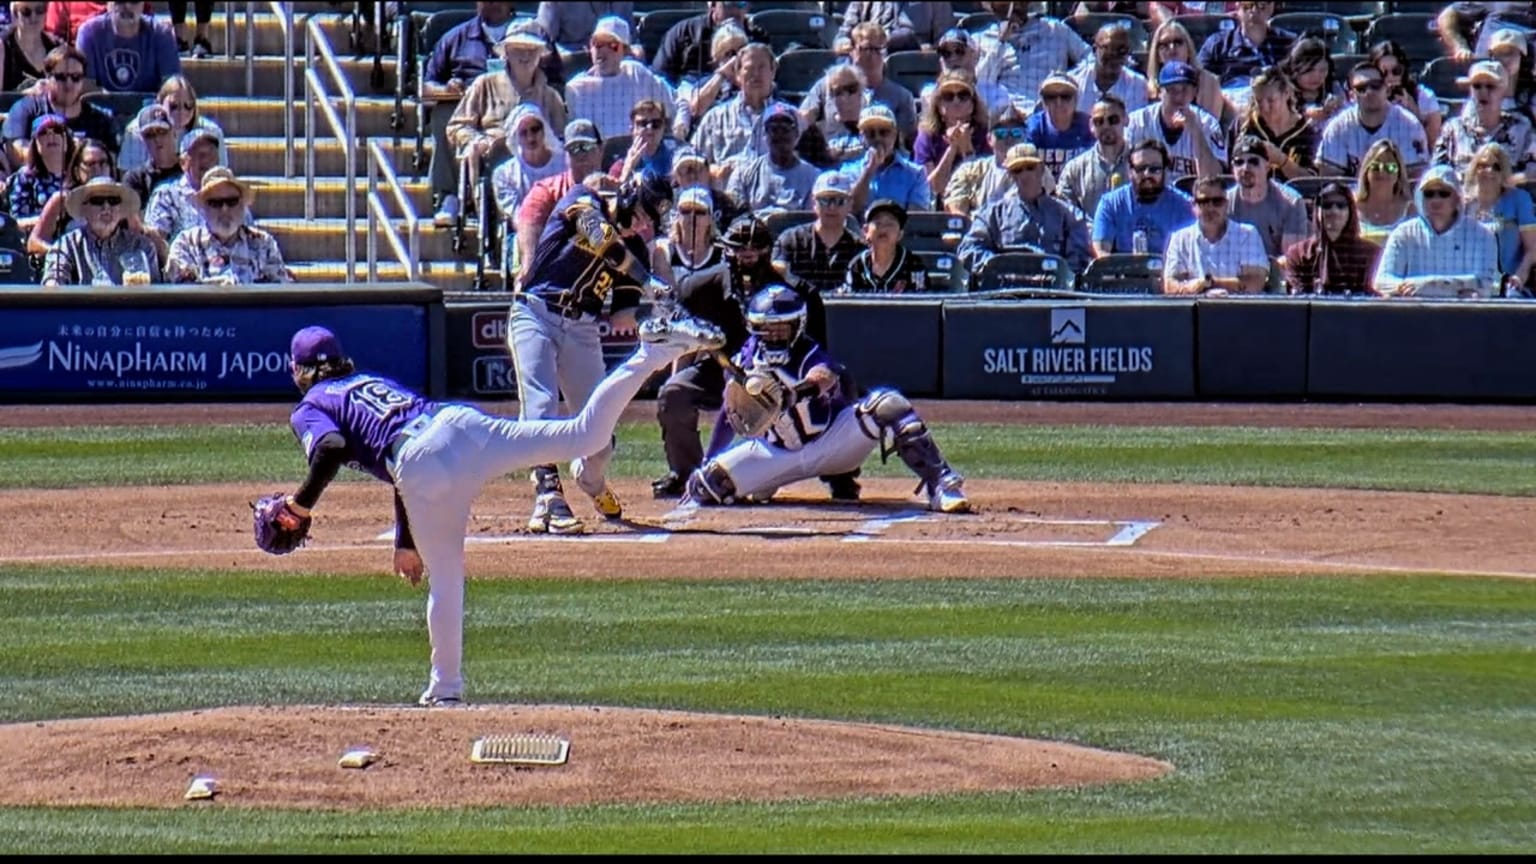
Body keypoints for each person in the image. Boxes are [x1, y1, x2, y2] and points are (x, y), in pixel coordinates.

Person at [273, 315, 726, 706]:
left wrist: (299, 507)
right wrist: (404, 543)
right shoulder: (367, 382)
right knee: (582, 436)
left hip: (423, 464)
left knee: (447, 580)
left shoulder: (312, 405)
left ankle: (445, 690)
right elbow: (396, 459)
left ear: (300, 371)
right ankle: (649, 353)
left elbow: (331, 448)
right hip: (459, 424)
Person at [682, 284, 970, 514]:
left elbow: (825, 376)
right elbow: (730, 414)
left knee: (888, 402)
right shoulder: (745, 361)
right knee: (705, 486)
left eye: (781, 328)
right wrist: (709, 459)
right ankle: (763, 483)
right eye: (766, 328)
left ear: (797, 326)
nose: (773, 335)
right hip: (776, 453)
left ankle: (941, 484)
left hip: (833, 443)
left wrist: (793, 394)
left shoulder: (808, 352)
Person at [508, 172, 675, 533]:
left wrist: (657, 309)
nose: (643, 225)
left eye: (650, 221)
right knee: (540, 404)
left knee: (599, 425)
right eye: (644, 214)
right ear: (631, 196)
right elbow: (603, 239)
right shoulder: (584, 199)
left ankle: (590, 480)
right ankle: (548, 496)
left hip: (582, 327)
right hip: (535, 311)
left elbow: (621, 317)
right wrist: (648, 282)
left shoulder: (638, 251)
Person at [649, 186, 750, 500]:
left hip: (734, 349)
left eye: (700, 212)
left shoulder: (725, 254)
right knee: (674, 393)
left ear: (712, 218)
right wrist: (678, 369)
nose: (692, 218)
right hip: (689, 341)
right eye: (686, 211)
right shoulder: (664, 251)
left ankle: (747, 474)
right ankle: (685, 473)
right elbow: (674, 312)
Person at [445, 21, 568, 208]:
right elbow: (457, 126)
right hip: (494, 156)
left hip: (539, 164)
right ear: (507, 52)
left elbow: (560, 137)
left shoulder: (551, 96)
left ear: (540, 55)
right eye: (518, 49)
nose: (525, 56)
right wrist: (477, 141)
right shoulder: (484, 84)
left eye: (532, 50)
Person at [959, 143, 1092, 274]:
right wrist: (1000, 266)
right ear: (1011, 175)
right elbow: (968, 249)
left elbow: (1079, 258)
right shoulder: (993, 213)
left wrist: (1054, 272)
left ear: (1041, 169)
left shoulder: (1068, 214)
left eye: (1030, 167)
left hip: (1052, 289)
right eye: (1017, 170)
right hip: (1005, 288)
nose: (1024, 175)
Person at [1373, 165, 1500, 298]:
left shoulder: (1482, 235)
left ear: (1457, 198)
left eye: (1443, 193)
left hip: (1464, 314)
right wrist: (1404, 287)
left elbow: (1488, 285)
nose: (1436, 200)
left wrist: (1430, 285)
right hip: (1413, 313)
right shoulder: (1403, 234)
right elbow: (1381, 281)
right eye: (1429, 194)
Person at [511, 119, 606, 286]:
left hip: (605, 273)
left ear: (600, 150)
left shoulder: (613, 187)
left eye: (587, 147)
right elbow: (528, 221)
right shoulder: (547, 189)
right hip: (556, 275)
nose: (581, 155)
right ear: (566, 156)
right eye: (574, 149)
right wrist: (530, 264)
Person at [801, 21, 920, 149]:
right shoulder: (827, 85)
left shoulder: (902, 97)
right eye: (866, 49)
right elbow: (804, 118)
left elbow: (906, 143)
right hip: (832, 157)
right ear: (852, 50)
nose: (872, 56)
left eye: (878, 50)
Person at [165, 167, 290, 284]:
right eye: (215, 203)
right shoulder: (186, 243)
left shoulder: (263, 243)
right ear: (203, 208)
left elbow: (279, 290)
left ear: (242, 205)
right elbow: (182, 291)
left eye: (231, 201)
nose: (225, 209)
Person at [1, 45, 119, 168]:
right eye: (61, 77)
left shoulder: (100, 118)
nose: (69, 84)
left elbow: (111, 161)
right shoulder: (26, 109)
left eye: (75, 77)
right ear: (47, 77)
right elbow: (17, 153)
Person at [564, 16, 675, 140]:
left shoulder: (638, 74)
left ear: (625, 50)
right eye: (598, 44)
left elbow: (676, 102)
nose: (604, 51)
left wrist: (679, 127)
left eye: (612, 45)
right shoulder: (575, 89)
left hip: (639, 152)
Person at [41, 175, 161, 286]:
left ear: (121, 208)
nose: (106, 207)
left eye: (113, 201)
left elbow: (155, 293)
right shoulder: (67, 245)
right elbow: (52, 284)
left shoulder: (141, 246)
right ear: (84, 208)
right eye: (97, 200)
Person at [1316, 63, 1430, 180]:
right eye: (1361, 89)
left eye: (1375, 85)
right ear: (1352, 96)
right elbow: (1329, 179)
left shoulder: (1409, 125)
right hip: (1350, 196)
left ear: (1387, 90)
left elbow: (1415, 179)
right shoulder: (1338, 127)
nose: (1369, 92)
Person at [1162, 174, 1271, 296]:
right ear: (1194, 206)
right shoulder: (1179, 239)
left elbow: (1255, 282)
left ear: (1226, 204)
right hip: (1196, 310)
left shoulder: (1247, 234)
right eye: (1203, 202)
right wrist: (1194, 289)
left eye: (1217, 202)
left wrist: (1208, 283)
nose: (1210, 208)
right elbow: (1170, 285)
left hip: (1240, 310)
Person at [1125, 60, 1227, 184]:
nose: (1178, 96)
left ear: (1194, 92)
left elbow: (1214, 179)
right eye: (1171, 89)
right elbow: (1125, 173)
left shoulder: (1208, 124)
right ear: (1159, 92)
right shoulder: (1138, 122)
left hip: (1194, 199)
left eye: (1185, 89)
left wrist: (1195, 131)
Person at [1092, 138, 1196, 257]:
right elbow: (1101, 251)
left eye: (1155, 169)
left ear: (1165, 170)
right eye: (1140, 169)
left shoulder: (1185, 206)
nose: (1147, 174)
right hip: (1124, 273)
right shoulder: (1110, 204)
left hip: (1170, 272)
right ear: (1130, 171)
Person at [1434, 60, 1536, 179]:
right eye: (1477, 86)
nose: (1483, 92)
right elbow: (1437, 172)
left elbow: (1532, 173)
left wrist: (1506, 183)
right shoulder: (1453, 128)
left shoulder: (1521, 127)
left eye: (1490, 86)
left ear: (1503, 91)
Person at [772, 171, 868, 296]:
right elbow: (775, 278)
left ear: (850, 204)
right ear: (814, 203)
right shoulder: (790, 240)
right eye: (824, 200)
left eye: (839, 201)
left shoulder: (860, 250)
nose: (832, 207)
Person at [1280, 181, 1380, 296]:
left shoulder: (1370, 254)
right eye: (1327, 205)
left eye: (1341, 205)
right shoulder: (1298, 254)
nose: (1334, 211)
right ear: (1316, 210)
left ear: (1350, 211)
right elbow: (1299, 299)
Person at [27, 136, 118, 261]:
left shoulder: (122, 198)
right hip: (71, 271)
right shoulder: (62, 200)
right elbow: (34, 242)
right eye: (90, 164)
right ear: (76, 171)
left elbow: (138, 236)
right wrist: (63, 253)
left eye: (103, 163)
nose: (97, 170)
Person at [117, 74, 225, 179]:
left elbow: (221, 174)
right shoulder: (135, 131)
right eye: (174, 106)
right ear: (159, 103)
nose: (181, 112)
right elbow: (126, 175)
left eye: (188, 106)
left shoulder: (211, 132)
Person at [1463, 141, 1536, 296]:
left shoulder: (1519, 199)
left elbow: (1532, 248)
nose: (1489, 171)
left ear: (1504, 172)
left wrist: (1520, 276)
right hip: (1469, 283)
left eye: (1496, 167)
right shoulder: (1463, 205)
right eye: (1482, 165)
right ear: (1474, 169)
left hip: (1508, 283)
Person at [725, 102, 821, 214]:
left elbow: (812, 220)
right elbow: (732, 216)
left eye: (785, 129)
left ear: (796, 134)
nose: (780, 135)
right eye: (774, 129)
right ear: (765, 135)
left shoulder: (813, 177)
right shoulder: (744, 174)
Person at [145, 127, 234, 245]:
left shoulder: (232, 195)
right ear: (183, 162)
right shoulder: (167, 195)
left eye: (212, 153)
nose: (207, 160)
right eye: (201, 154)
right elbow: (156, 242)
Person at [1226, 135, 1310, 259]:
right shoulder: (1223, 202)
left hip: (1276, 274)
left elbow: (1291, 260)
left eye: (1253, 162)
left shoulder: (1292, 202)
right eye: (1239, 162)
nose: (1245, 168)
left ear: (1267, 167)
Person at [914, 71, 991, 205]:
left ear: (972, 105)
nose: (956, 102)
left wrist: (967, 150)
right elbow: (932, 188)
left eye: (963, 96)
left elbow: (983, 186)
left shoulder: (985, 135)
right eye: (948, 96)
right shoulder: (927, 135)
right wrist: (952, 148)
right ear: (939, 105)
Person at [840, 104, 932, 216]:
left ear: (894, 135)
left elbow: (916, 219)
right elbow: (847, 211)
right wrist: (869, 171)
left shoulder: (915, 174)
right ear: (861, 137)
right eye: (870, 133)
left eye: (883, 132)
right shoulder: (848, 172)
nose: (877, 138)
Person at [75, 0, 181, 93]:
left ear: (143, 4)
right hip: (100, 112)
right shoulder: (89, 33)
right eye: (120, 1)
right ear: (108, 4)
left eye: (134, 1)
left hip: (150, 111)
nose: (127, 6)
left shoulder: (161, 33)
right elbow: (86, 87)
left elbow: (171, 87)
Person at [651, 0, 767, 85]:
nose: (735, 10)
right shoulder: (684, 32)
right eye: (728, 3)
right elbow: (660, 78)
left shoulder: (757, 38)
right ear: (712, 4)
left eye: (741, 3)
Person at [1195, 0, 1294, 97]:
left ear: (1272, 6)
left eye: (1262, 4)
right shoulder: (1217, 45)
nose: (1254, 10)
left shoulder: (1289, 43)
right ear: (1237, 4)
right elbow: (1199, 83)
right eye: (1248, 4)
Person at [945, 103, 1028, 218]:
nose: (1009, 138)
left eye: (1016, 132)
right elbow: (956, 212)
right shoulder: (969, 171)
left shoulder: (1036, 169)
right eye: (1001, 134)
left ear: (1025, 136)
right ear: (989, 139)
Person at [1233, 66, 1316, 181]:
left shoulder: (1308, 131)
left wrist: (1281, 160)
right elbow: (1232, 171)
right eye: (1259, 101)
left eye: (1271, 100)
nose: (1265, 108)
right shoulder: (1245, 125)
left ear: (1286, 93)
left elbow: (1311, 182)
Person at [1056, 94, 1130, 221]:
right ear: (1091, 126)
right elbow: (1065, 208)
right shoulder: (1075, 169)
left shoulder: (1142, 163)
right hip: (1089, 237)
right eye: (1099, 121)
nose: (1106, 126)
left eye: (1113, 120)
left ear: (1126, 120)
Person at [1145, 19, 1229, 124]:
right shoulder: (1147, 87)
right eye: (1164, 44)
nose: (1172, 48)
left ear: (1188, 49)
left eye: (1178, 42)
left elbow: (1210, 126)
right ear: (1157, 55)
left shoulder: (1208, 81)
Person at [5, 113, 76, 233]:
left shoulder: (78, 173)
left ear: (67, 142)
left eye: (57, 131)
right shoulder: (25, 177)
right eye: (43, 133)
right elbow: (16, 222)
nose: (51, 136)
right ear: (35, 144)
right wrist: (48, 220)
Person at [843, 198, 928, 293]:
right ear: (866, 231)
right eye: (878, 223)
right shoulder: (857, 265)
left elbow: (919, 302)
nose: (883, 229)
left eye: (890, 224)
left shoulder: (913, 264)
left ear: (900, 234)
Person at [1372, 39, 1444, 150]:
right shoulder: (1367, 97)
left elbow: (1432, 146)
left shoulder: (1425, 97)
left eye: (1396, 71)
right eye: (1383, 73)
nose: (1390, 77)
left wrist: (1414, 114)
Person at [1023, 72, 1094, 181]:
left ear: (1076, 100)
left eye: (1065, 96)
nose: (1058, 102)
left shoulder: (1089, 127)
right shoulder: (1033, 127)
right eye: (1051, 97)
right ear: (1043, 102)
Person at [1069, 21, 1150, 115]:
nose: (1114, 55)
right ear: (1095, 50)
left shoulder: (1137, 84)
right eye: (1108, 48)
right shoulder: (1075, 83)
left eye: (1121, 50)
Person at [1354, 139, 1416, 247]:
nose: (1382, 172)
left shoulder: (1411, 210)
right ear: (1366, 172)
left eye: (1390, 167)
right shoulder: (1352, 207)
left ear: (1399, 174)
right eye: (1376, 167)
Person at [120, 104, 183, 208]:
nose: (157, 139)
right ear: (142, 140)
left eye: (162, 132)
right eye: (149, 135)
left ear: (174, 133)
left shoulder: (190, 171)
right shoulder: (135, 179)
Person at [834, 2, 957, 54]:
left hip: (913, 66)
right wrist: (844, 43)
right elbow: (843, 34)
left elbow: (946, 41)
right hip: (869, 60)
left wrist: (932, 49)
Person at [0, 1, 63, 92]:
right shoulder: (3, 47)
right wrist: (29, 94)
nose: (33, 17)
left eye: (39, 10)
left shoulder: (56, 47)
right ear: (15, 14)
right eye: (26, 12)